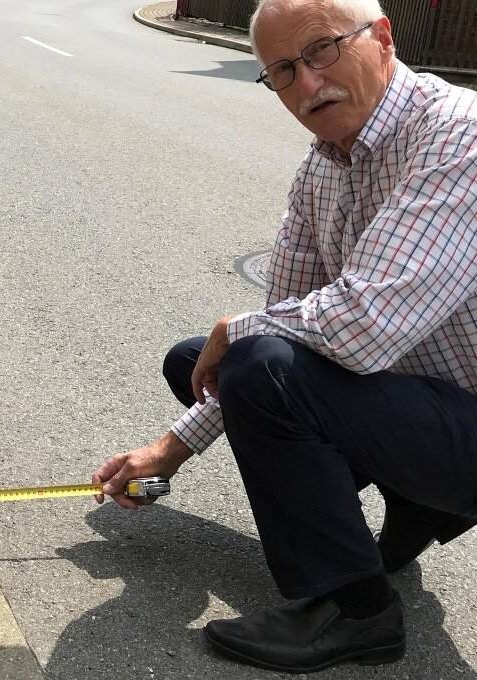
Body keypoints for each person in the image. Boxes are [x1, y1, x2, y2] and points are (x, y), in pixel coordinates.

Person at [92, 0, 477, 672]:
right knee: (205, 362)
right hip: (429, 404)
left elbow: (362, 328)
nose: (305, 85)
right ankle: (415, 503)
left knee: (254, 361)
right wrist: (167, 453)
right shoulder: (325, 165)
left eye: (322, 50)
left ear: (382, 37)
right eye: (281, 71)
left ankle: (357, 612)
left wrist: (236, 334)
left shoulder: (458, 139)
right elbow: (281, 335)